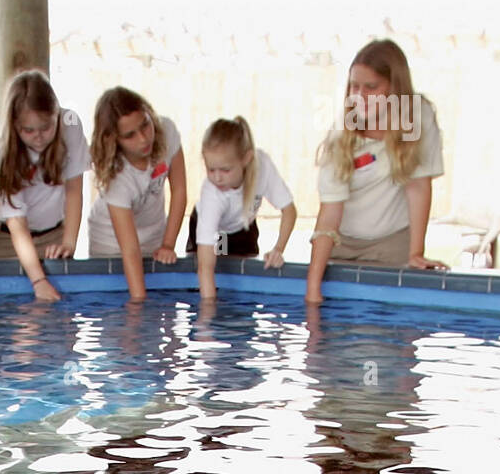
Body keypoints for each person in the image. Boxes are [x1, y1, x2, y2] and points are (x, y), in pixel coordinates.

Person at [306, 39, 447, 304]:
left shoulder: (418, 116)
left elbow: (417, 185)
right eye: (354, 86)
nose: (359, 96)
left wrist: (416, 252)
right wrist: (313, 290)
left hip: (393, 242)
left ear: (395, 87)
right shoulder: (341, 135)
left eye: (371, 87)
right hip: (342, 243)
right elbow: (329, 215)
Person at [0, 71, 88, 302]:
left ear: (56, 116)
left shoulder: (70, 123)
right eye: (28, 130)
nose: (38, 137)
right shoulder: (3, 156)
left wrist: (69, 243)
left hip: (53, 237)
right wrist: (38, 282)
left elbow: (74, 189)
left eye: (46, 127)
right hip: (4, 242)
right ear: (15, 126)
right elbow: (16, 223)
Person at [87, 87, 186, 301]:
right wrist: (139, 307)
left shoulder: (166, 131)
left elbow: (179, 191)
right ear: (114, 139)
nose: (143, 139)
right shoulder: (116, 178)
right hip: (111, 243)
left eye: (145, 125)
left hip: (154, 234)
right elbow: (130, 250)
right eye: (130, 135)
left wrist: (168, 244)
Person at [187, 116, 296, 300]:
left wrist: (278, 249)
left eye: (225, 170)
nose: (217, 178)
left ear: (246, 158)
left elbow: (289, 210)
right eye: (210, 169)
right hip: (218, 233)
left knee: (244, 287)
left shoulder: (262, 167)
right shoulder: (212, 194)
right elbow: (205, 267)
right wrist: (207, 318)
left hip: (245, 226)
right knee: (217, 275)